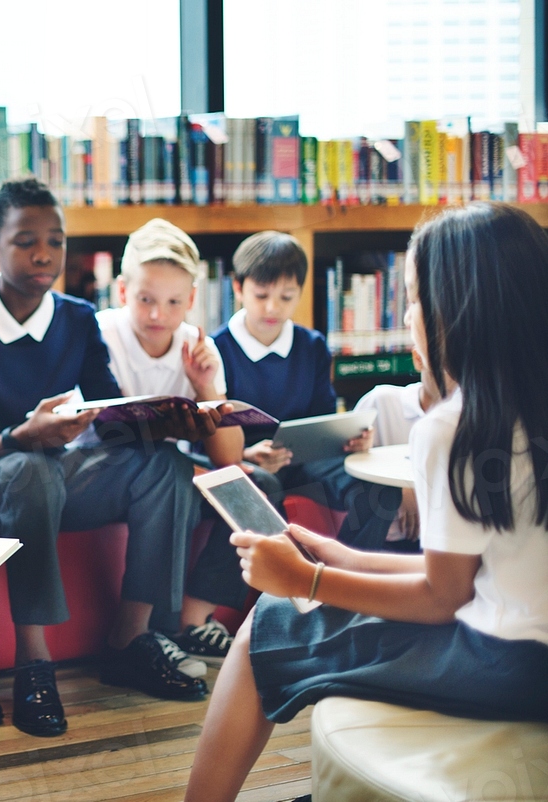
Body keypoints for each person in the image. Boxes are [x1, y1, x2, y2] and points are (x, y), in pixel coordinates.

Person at [183, 202, 548, 802]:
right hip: (528, 646)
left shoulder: (456, 425)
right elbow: (473, 576)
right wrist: (338, 557)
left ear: (451, 314)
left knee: (267, 626)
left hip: (506, 662)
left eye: (412, 299)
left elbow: (442, 596)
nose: (408, 317)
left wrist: (308, 579)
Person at [0, 178, 223, 738]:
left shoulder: (75, 317)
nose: (44, 253)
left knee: (166, 464)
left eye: (56, 241)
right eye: (25, 241)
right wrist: (21, 435)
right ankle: (33, 662)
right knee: (33, 470)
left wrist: (163, 422)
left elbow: (106, 414)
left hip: (64, 473)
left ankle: (131, 638)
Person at [93, 219, 248, 666]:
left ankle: (194, 618)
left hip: (171, 478)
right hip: (109, 474)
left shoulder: (198, 347)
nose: (158, 314)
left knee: (253, 487)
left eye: (173, 302)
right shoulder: (101, 335)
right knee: (169, 465)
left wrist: (208, 390)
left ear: (192, 301)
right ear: (122, 291)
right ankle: (145, 632)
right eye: (145, 299)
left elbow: (229, 457)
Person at [213, 231, 401, 551]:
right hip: (250, 465)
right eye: (261, 295)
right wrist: (244, 454)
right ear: (238, 288)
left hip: (306, 463)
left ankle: (340, 576)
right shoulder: (217, 350)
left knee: (381, 490)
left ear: (300, 293)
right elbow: (204, 436)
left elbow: (323, 418)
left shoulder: (310, 345)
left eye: (286, 297)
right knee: (261, 484)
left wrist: (351, 440)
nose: (272, 308)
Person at [353, 349, 442, 545]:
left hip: (444, 543)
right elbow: (344, 472)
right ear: (418, 359)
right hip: (384, 541)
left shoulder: (474, 414)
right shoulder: (381, 401)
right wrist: (401, 486)